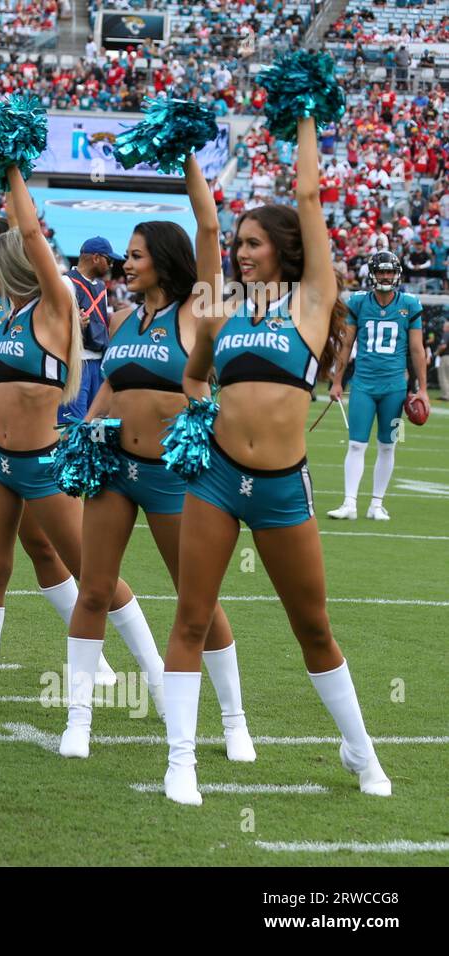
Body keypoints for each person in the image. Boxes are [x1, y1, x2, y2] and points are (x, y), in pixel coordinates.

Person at [161, 114, 389, 806]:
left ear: (284, 250)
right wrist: (200, 417)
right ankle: (181, 762)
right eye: (237, 244)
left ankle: (361, 750)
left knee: (312, 625)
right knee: (191, 616)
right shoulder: (218, 310)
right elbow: (194, 378)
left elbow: (311, 196)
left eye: (253, 243)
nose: (240, 252)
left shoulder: (312, 304)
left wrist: (305, 117)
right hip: (217, 479)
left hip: (285, 486)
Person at [58, 155, 254, 762]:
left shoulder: (196, 312)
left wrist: (189, 155)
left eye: (137, 255)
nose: (126, 263)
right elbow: (112, 389)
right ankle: (80, 720)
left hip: (176, 476)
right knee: (92, 591)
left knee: (196, 603)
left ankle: (234, 719)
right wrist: (83, 440)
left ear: (163, 261)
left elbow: (210, 228)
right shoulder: (121, 319)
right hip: (116, 471)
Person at [0, 164, 157, 720]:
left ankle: (157, 674)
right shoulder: (7, 316)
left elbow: (32, 235)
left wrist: (11, 169)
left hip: (44, 461)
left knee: (95, 575)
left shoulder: (54, 305)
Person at [327, 251, 428, 521]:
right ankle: (349, 503)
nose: (385, 276)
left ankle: (376, 504)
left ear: (397, 274)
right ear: (372, 274)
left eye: (389, 272)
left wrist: (423, 390)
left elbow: (417, 350)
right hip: (363, 384)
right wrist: (337, 381)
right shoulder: (359, 302)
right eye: (381, 271)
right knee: (357, 444)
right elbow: (346, 344)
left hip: (395, 387)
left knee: (387, 446)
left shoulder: (409, 303)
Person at [61, 236, 121, 421]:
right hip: (77, 362)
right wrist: (73, 324)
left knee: (97, 423)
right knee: (73, 423)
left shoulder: (101, 287)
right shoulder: (66, 282)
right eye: (108, 260)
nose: (111, 265)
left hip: (98, 361)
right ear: (96, 258)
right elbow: (53, 323)